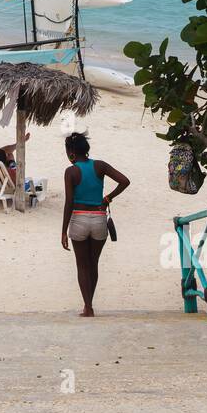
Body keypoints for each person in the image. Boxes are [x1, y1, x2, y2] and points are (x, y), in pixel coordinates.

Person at [60, 132, 129, 317]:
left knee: (82, 265)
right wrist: (107, 198)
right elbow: (125, 181)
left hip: (79, 219)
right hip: (99, 219)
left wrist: (64, 231)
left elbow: (69, 202)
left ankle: (88, 307)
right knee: (93, 263)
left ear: (72, 153)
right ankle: (90, 303)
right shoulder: (100, 166)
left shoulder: (71, 171)